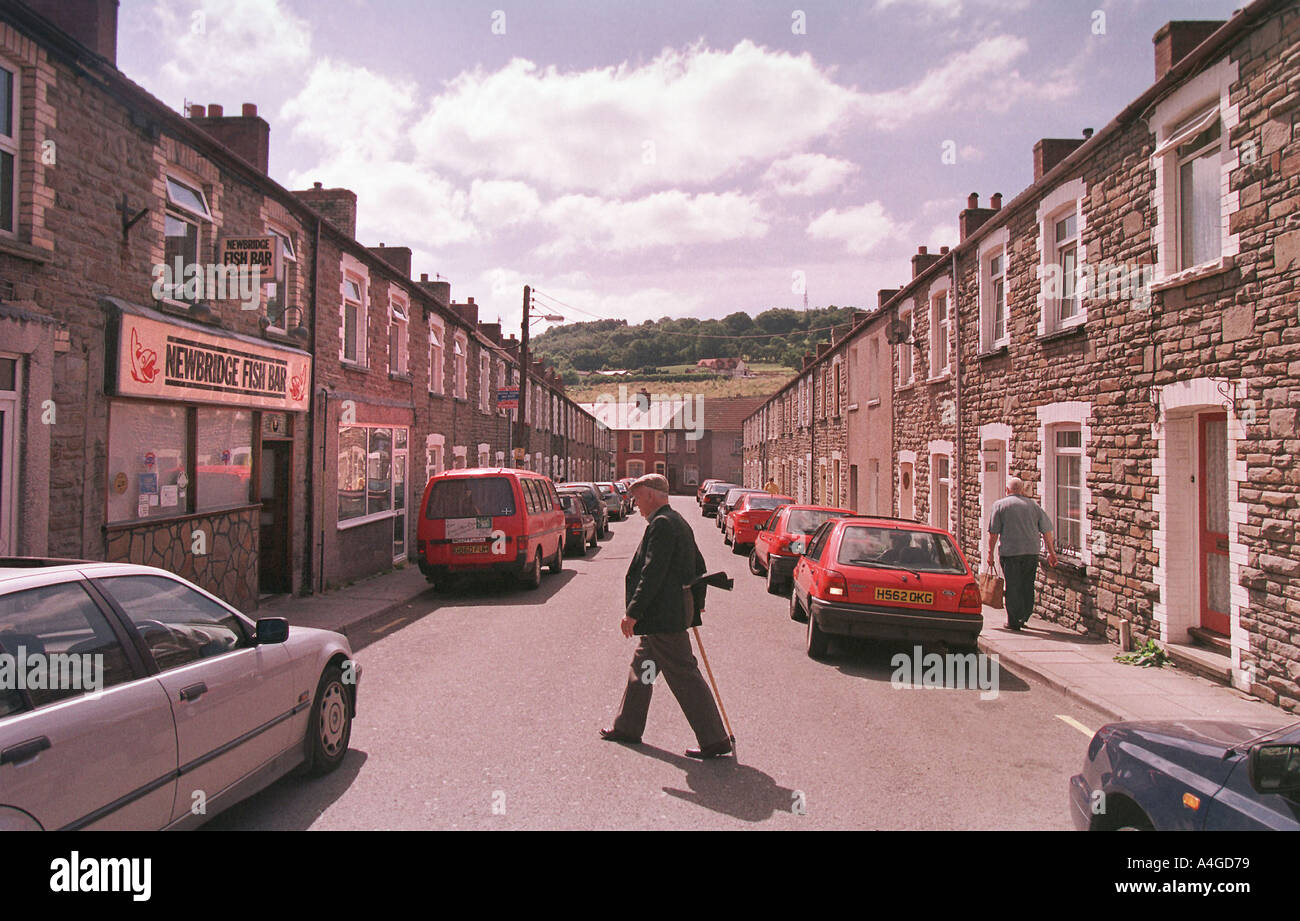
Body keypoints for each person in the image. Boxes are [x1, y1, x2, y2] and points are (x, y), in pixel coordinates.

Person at [600, 473, 732, 759]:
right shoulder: (677, 520)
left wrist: (632, 613)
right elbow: (699, 564)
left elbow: (652, 573)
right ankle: (628, 727)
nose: (637, 505)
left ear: (650, 494)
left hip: (664, 616)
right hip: (667, 615)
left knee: (684, 675)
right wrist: (698, 603)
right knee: (642, 669)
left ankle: (715, 739)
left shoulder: (661, 524)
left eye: (638, 498)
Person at [986, 476, 1057, 631]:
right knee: (1026, 585)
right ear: (1022, 490)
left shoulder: (999, 505)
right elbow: (1046, 530)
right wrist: (1051, 553)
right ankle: (1024, 615)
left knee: (1013, 586)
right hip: (1031, 552)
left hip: (1010, 553)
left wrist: (990, 554)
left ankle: (1013, 621)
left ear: (1007, 490)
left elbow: (994, 533)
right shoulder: (1033, 506)